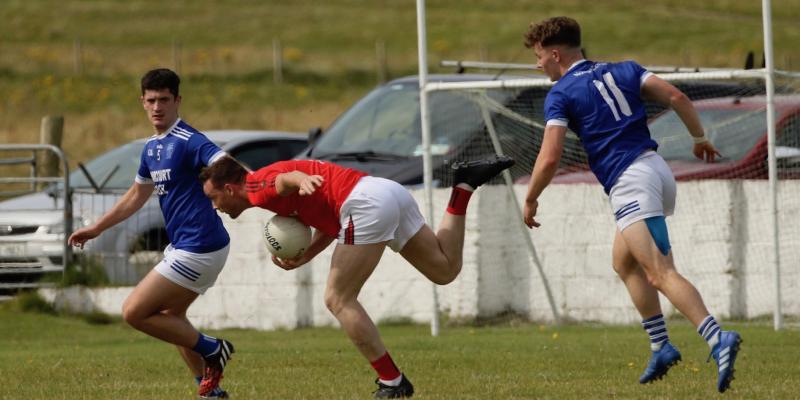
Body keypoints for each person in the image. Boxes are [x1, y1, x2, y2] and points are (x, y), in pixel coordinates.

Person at [521, 17, 742, 393]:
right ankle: (661, 346)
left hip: (630, 183)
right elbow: (677, 97)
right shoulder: (625, 68)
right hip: (656, 170)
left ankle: (717, 337)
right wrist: (699, 138)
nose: (537, 65)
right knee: (623, 262)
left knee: (660, 273)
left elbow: (550, 156)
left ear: (555, 54)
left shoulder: (560, 93)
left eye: (539, 57)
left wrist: (530, 198)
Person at [199, 155, 514, 398]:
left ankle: (393, 381)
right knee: (445, 270)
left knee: (337, 299)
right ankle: (463, 187)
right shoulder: (266, 185)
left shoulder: (256, 187)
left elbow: (282, 181)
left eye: (213, 199)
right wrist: (305, 255)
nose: (215, 207)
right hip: (386, 192)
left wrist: (301, 179)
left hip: (365, 204)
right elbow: (332, 223)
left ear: (229, 189)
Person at [68, 68, 235, 399]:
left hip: (200, 245)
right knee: (171, 318)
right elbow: (136, 196)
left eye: (164, 100)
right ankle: (210, 391)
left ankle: (213, 349)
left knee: (134, 312)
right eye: (151, 100)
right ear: (143, 102)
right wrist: (97, 228)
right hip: (188, 245)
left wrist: (232, 194)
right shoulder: (152, 148)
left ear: (177, 101)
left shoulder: (189, 140)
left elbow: (225, 161)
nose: (157, 107)